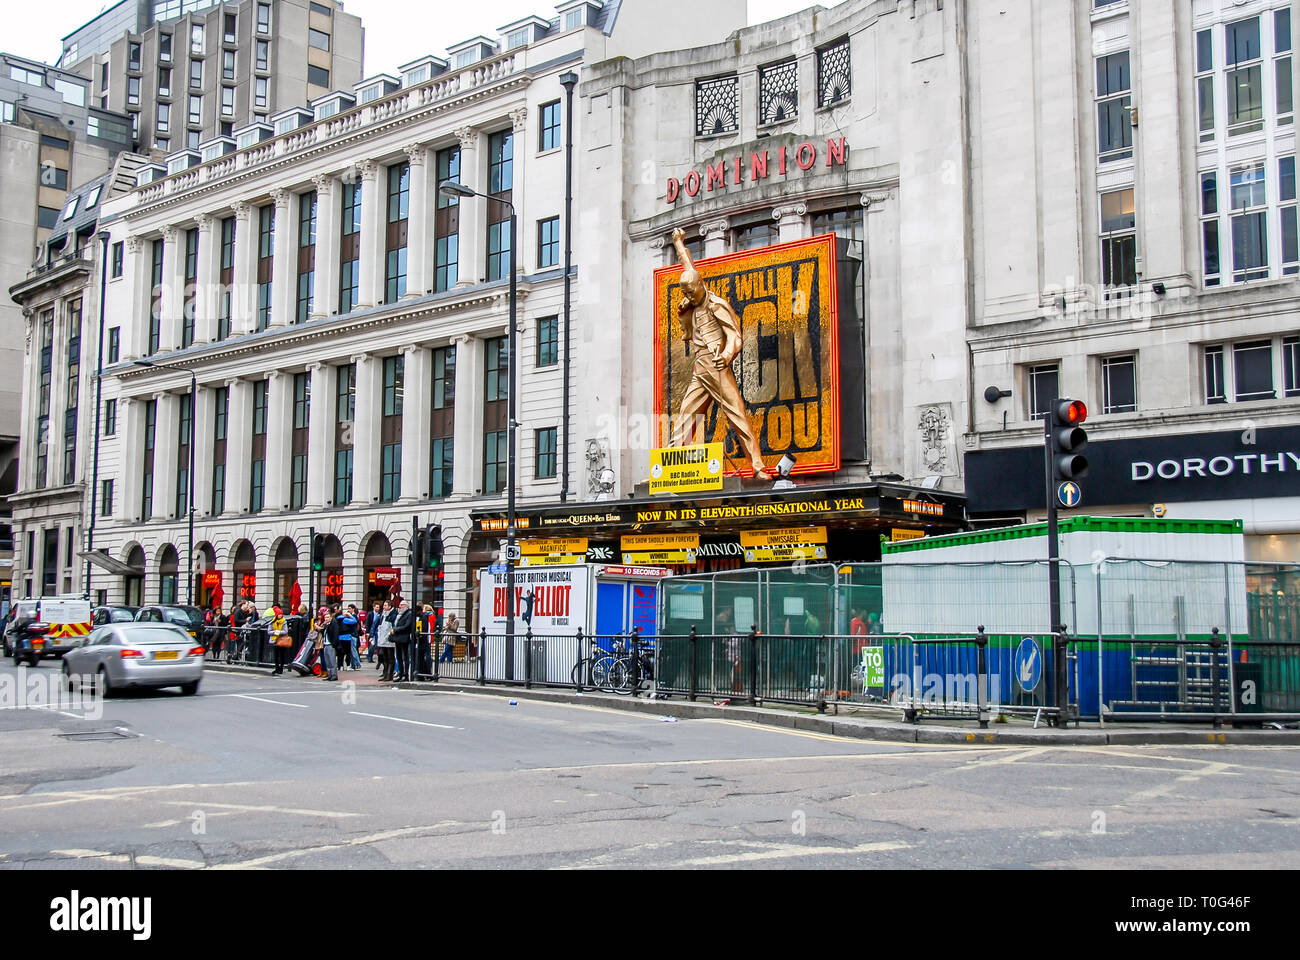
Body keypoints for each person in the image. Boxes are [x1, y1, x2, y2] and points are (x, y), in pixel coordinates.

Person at [668, 226, 771, 478]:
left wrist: (725, 356)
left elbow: (735, 336)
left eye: (691, 292)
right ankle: (668, 470)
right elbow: (687, 266)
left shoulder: (717, 305)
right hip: (699, 370)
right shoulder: (692, 297)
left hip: (717, 366)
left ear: (701, 285)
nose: (689, 297)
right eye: (686, 293)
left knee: (736, 414)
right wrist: (678, 242)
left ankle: (757, 466)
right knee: (685, 418)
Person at [392, 598, 414, 681]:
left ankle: (406, 674)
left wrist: (396, 629)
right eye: (400, 605)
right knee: (399, 657)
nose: (400, 606)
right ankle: (400, 674)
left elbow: (407, 626)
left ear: (406, 606)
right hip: (398, 638)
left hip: (404, 638)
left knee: (405, 657)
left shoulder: (409, 614)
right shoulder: (399, 614)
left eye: (402, 605)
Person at [376, 600, 396, 682]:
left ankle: (389, 675)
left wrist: (389, 635)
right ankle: (385, 674)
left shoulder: (393, 615)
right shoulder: (382, 615)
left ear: (390, 606)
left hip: (389, 640)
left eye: (385, 605)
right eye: (383, 605)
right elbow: (379, 625)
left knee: (390, 658)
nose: (384, 607)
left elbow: (393, 626)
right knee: (384, 658)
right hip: (382, 638)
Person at [316, 607, 338, 681]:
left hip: (330, 644)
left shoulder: (333, 624)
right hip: (325, 644)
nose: (326, 618)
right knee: (327, 661)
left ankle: (334, 675)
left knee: (332, 661)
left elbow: (335, 634)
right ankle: (329, 674)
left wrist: (333, 644)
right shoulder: (326, 625)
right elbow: (323, 633)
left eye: (328, 617)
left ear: (331, 617)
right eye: (325, 617)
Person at [268, 606, 291, 676]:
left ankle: (281, 668)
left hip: (282, 640)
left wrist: (279, 632)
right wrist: (275, 632)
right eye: (279, 614)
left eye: (281, 614)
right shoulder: (272, 622)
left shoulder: (284, 622)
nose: (280, 615)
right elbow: (269, 631)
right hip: (274, 640)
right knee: (276, 655)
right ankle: (276, 668)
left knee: (281, 655)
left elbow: (285, 631)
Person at [366, 601, 382, 665]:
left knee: (376, 645)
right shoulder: (370, 614)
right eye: (377, 607)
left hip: (378, 631)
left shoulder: (380, 614)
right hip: (371, 631)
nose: (378, 608)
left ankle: (376, 658)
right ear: (373, 607)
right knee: (372, 645)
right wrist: (368, 632)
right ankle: (370, 657)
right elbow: (368, 623)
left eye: (379, 607)